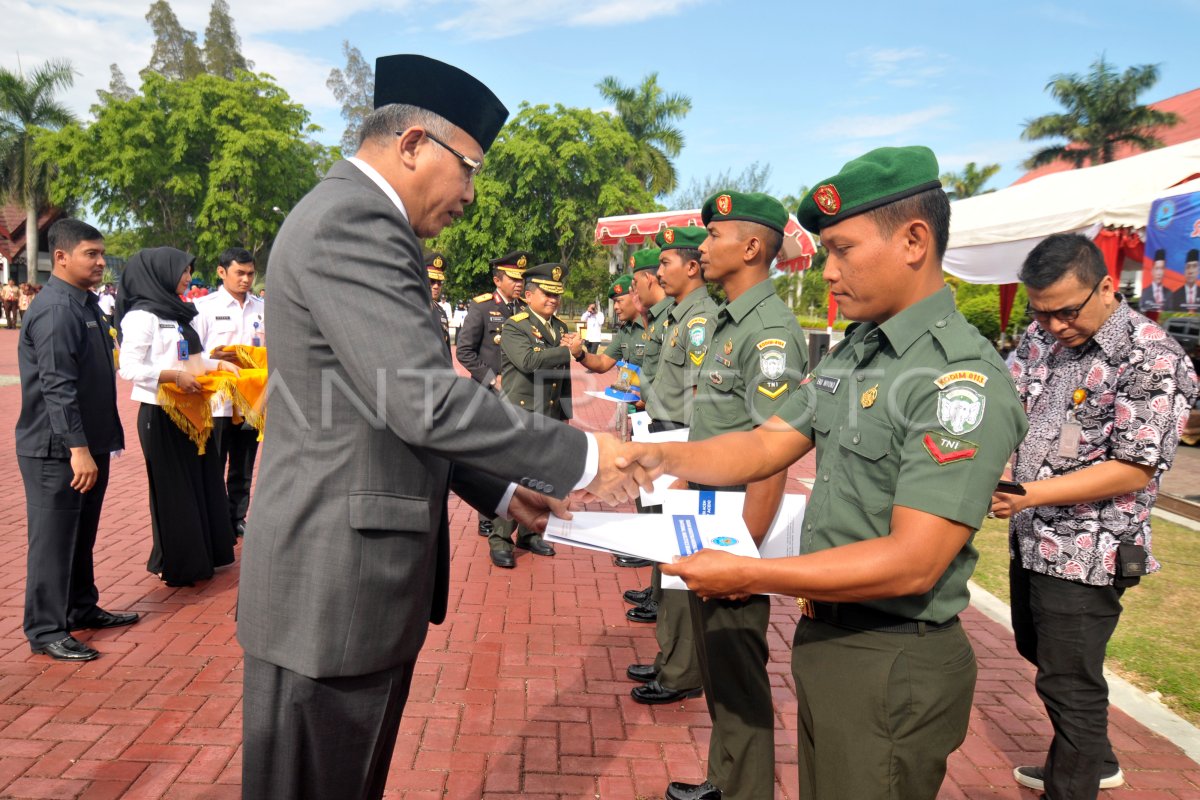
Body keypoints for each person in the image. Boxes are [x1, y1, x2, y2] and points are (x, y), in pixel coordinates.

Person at [235, 54, 644, 800]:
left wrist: (495, 488)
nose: (471, 195)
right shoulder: (354, 222)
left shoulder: (356, 220)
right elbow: (422, 399)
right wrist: (584, 456)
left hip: (341, 588)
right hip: (332, 592)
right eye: (470, 169)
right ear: (415, 144)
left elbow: (383, 407)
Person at [620, 147, 1028, 800]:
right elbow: (765, 445)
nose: (827, 271)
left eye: (841, 250)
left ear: (915, 241)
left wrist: (749, 572)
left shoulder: (960, 380)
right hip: (831, 643)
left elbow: (913, 562)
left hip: (891, 657)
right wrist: (654, 456)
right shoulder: (861, 350)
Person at [993, 233, 1197, 799]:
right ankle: (1094, 759)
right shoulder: (1043, 338)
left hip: (1091, 549)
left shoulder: (1153, 357)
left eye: (1066, 311)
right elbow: (1005, 399)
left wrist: (1028, 493)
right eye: (1041, 311)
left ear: (1107, 286)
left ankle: (1074, 780)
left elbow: (1135, 466)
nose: (1054, 325)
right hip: (1033, 537)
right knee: (1043, 655)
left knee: (1069, 680)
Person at [661, 191, 809, 800]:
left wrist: (742, 555)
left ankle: (745, 789)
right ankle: (727, 778)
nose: (703, 246)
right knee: (718, 661)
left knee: (739, 666)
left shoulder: (770, 333)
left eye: (715, 235)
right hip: (708, 514)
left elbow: (770, 458)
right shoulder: (731, 318)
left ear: (751, 247)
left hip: (735, 529)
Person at [17, 218, 135, 662]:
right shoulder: (56, 310)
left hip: (88, 443)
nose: (101, 261)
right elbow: (57, 386)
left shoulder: (84, 304)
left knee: (80, 533)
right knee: (53, 539)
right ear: (61, 258)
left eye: (102, 254)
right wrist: (78, 450)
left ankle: (81, 606)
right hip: (58, 450)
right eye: (92, 254)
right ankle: (46, 628)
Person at [626, 225, 716, 705]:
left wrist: (689, 461)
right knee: (667, 547)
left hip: (684, 439)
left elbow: (701, 395)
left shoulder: (700, 320)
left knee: (681, 556)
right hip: (666, 432)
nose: (658, 273)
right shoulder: (682, 316)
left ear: (691, 267)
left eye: (664, 264)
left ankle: (681, 669)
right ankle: (670, 657)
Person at [116, 247, 239, 587]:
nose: (187, 278)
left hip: (192, 413)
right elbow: (129, 367)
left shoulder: (180, 313)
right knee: (174, 492)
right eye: (183, 271)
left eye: (188, 271)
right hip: (161, 414)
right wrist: (173, 378)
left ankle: (204, 554)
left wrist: (219, 365)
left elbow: (192, 363)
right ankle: (177, 562)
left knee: (199, 484)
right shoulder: (142, 316)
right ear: (161, 273)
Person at [488, 261, 574, 568]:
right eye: (546, 294)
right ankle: (500, 538)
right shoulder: (515, 325)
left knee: (541, 477)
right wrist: (568, 351)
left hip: (548, 413)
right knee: (514, 478)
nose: (552, 300)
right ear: (528, 294)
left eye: (556, 295)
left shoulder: (560, 328)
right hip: (521, 414)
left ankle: (529, 534)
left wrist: (564, 414)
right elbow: (526, 361)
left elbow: (561, 376)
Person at [454, 248, 530, 537]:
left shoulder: (523, 309)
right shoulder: (482, 308)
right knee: (490, 456)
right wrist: (491, 379)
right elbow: (464, 351)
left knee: (518, 454)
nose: (519, 282)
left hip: (520, 394)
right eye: (513, 278)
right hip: (489, 394)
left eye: (522, 278)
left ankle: (515, 515)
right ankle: (487, 513)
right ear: (498, 280)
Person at [192, 247, 265, 539]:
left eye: (250, 273)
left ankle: (237, 516)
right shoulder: (205, 308)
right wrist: (217, 356)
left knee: (244, 462)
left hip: (251, 399)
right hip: (218, 401)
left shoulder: (262, 307)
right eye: (240, 273)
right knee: (215, 460)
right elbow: (193, 354)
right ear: (222, 272)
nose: (246, 279)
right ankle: (215, 518)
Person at [569, 273, 645, 375]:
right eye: (614, 302)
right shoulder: (625, 330)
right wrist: (579, 354)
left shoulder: (655, 324)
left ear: (635, 297)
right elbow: (603, 362)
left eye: (619, 301)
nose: (615, 307)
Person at [425, 251, 451, 347]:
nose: (436, 286)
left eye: (439, 282)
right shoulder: (412, 307)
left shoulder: (441, 311)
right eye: (432, 281)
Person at [1140, 249, 1170, 313]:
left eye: (1162, 268)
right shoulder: (1145, 292)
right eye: (1157, 268)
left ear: (1165, 271)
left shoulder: (1170, 293)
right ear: (1152, 271)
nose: (1159, 273)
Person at [1173, 249, 1199, 313]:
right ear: (1184, 271)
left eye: (1194, 266)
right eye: (1188, 267)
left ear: (1198, 270)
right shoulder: (1175, 295)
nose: (1190, 271)